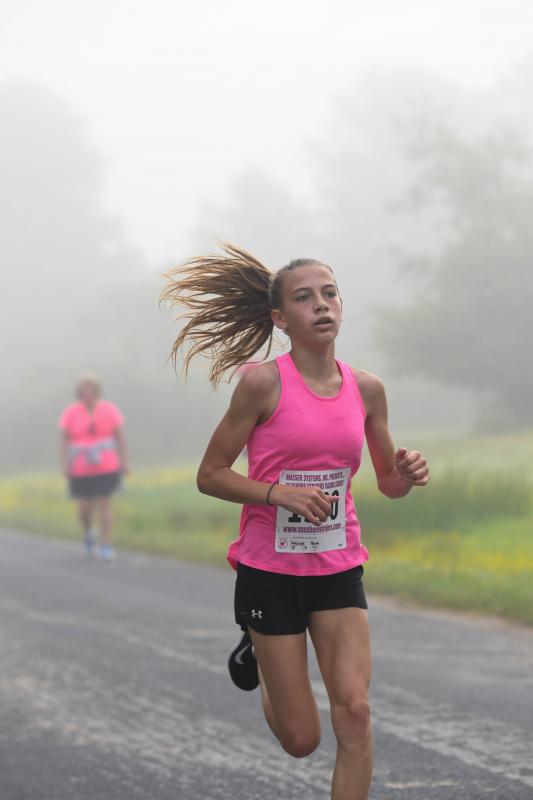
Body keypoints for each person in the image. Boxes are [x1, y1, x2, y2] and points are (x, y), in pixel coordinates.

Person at [161, 243, 430, 800]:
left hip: (337, 566)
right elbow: (210, 474)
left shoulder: (368, 388)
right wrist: (275, 493)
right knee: (303, 739)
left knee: (354, 712)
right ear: (281, 319)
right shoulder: (262, 383)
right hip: (270, 572)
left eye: (329, 293)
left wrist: (407, 470)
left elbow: (387, 483)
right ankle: (259, 648)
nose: (322, 305)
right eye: (305, 298)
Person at [59, 373, 129, 561]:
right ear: (79, 394)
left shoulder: (109, 409)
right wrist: (65, 463)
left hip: (107, 464)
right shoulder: (71, 412)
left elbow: (120, 438)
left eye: (90, 390)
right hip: (81, 467)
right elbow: (65, 441)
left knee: (105, 504)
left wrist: (125, 461)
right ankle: (89, 532)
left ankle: (106, 545)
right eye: (84, 391)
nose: (87, 394)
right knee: (84, 509)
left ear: (97, 392)